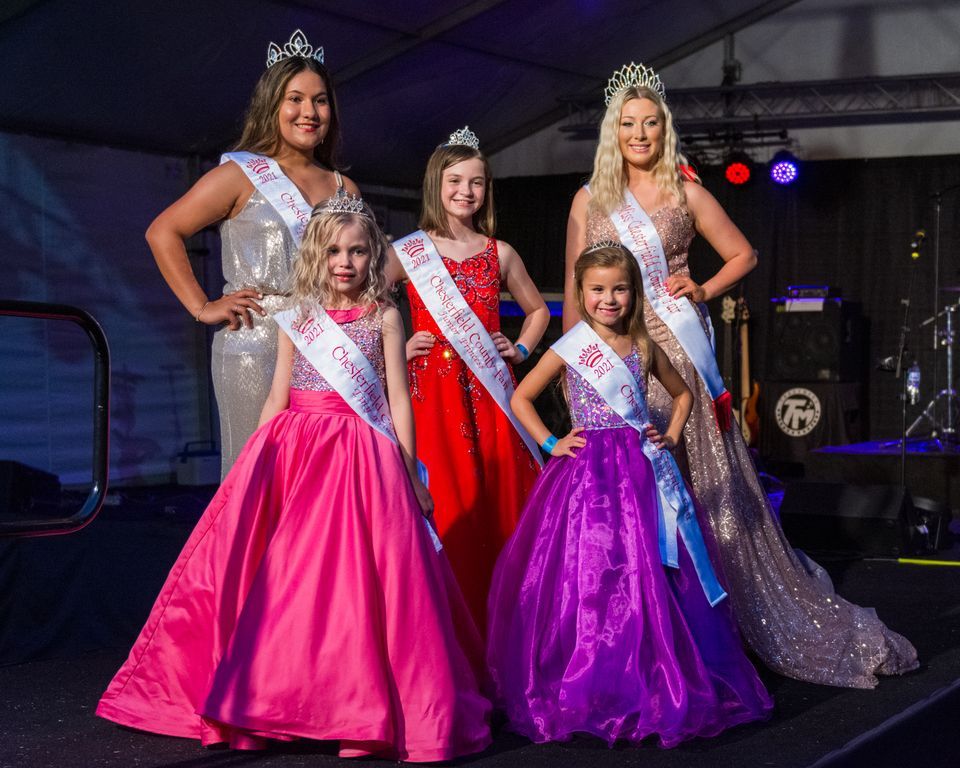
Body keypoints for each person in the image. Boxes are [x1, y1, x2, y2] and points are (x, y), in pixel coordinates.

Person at [97, 196, 492, 761]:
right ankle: (279, 702)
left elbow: (397, 401)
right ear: (315, 253)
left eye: (358, 251)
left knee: (359, 583)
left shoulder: (385, 315)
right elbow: (276, 397)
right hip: (297, 452)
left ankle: (362, 712)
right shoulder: (298, 318)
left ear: (373, 255)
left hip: (362, 456)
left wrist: (408, 468)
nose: (345, 262)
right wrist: (251, 470)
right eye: (334, 250)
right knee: (290, 582)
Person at [564, 62, 918, 688]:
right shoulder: (589, 199)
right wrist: (573, 366)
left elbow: (743, 254)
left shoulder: (685, 190)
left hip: (674, 349)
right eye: (629, 124)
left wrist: (701, 286)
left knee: (700, 488)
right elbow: (573, 289)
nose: (640, 133)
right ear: (612, 131)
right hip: (612, 357)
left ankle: (712, 623)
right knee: (632, 493)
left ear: (663, 129)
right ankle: (646, 627)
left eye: (650, 123)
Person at [487, 244, 772, 747]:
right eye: (597, 290)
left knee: (651, 572)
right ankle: (591, 680)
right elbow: (520, 396)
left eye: (619, 289)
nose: (609, 299)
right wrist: (552, 443)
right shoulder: (569, 346)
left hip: (641, 471)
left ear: (633, 292)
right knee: (590, 577)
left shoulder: (643, 344)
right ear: (582, 292)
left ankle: (653, 674)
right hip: (585, 479)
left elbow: (683, 394)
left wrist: (674, 433)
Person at [146, 29, 360, 477]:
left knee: (320, 480)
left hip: (327, 344)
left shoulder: (344, 187)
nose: (309, 112)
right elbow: (163, 231)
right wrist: (203, 306)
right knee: (257, 477)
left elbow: (364, 271)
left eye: (320, 101)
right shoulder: (241, 174)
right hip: (255, 340)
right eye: (295, 99)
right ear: (272, 105)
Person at [386, 127, 549, 631]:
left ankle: (506, 627)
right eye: (455, 180)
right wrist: (396, 344)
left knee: (500, 509)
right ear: (436, 183)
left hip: (490, 397)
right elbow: (366, 304)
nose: (466, 191)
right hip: (432, 396)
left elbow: (539, 309)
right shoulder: (408, 251)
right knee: (449, 503)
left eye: (477, 182)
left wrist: (520, 347)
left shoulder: (498, 253)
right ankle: (449, 629)